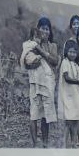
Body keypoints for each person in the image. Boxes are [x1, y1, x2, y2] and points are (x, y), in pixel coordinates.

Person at [20, 16, 59, 147]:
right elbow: (26, 63)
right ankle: (34, 143)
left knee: (46, 113)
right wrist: (34, 62)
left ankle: (45, 143)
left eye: (47, 29)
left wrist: (41, 52)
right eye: (43, 28)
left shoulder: (52, 46)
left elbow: (55, 61)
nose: (45, 32)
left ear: (50, 31)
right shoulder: (31, 44)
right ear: (38, 30)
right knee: (34, 112)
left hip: (48, 82)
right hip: (35, 82)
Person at [58, 38, 79, 148]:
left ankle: (73, 142)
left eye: (74, 52)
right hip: (68, 96)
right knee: (69, 121)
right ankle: (65, 143)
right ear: (66, 52)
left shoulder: (75, 65)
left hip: (76, 96)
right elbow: (67, 78)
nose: (72, 54)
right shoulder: (65, 62)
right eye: (70, 51)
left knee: (76, 120)